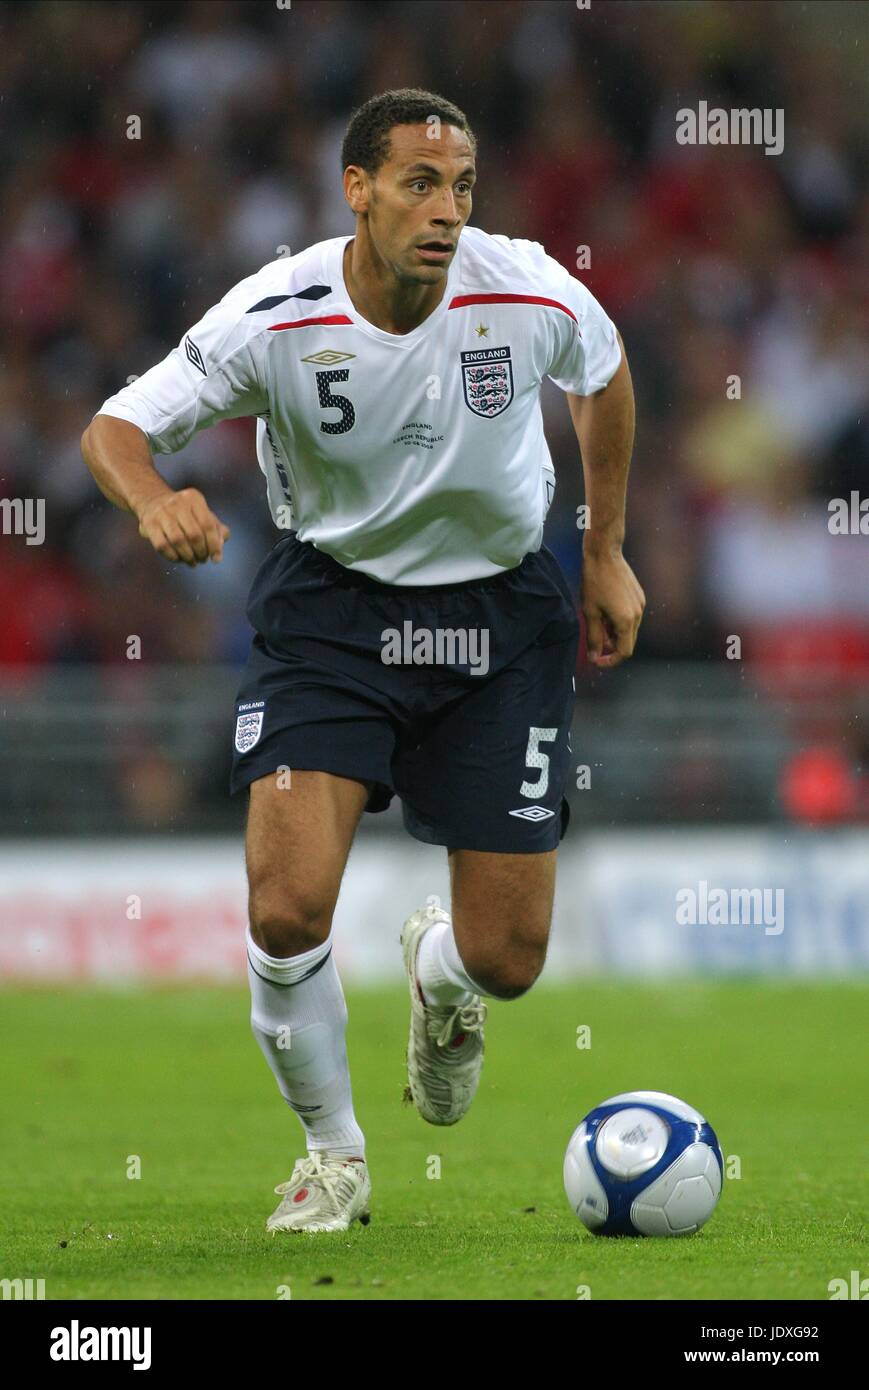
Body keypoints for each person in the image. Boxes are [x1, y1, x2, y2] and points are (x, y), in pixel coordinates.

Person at [81, 87, 644, 1235]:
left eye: (462, 185)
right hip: (332, 621)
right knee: (285, 907)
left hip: (497, 622)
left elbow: (604, 373)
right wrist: (153, 498)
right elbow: (114, 429)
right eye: (418, 184)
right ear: (358, 190)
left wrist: (606, 550)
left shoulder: (526, 285)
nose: (446, 210)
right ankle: (332, 1153)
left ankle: (439, 976)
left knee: (509, 959)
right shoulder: (277, 312)